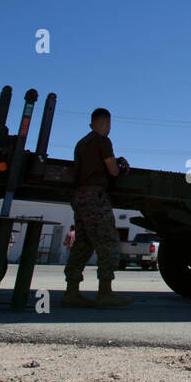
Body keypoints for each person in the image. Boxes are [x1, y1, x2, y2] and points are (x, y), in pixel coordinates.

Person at [64, 108, 131, 308]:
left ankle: (71, 292)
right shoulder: (103, 141)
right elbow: (112, 171)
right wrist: (120, 165)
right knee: (108, 242)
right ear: (107, 124)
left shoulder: (82, 143)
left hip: (80, 196)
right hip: (95, 197)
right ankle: (105, 293)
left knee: (82, 244)